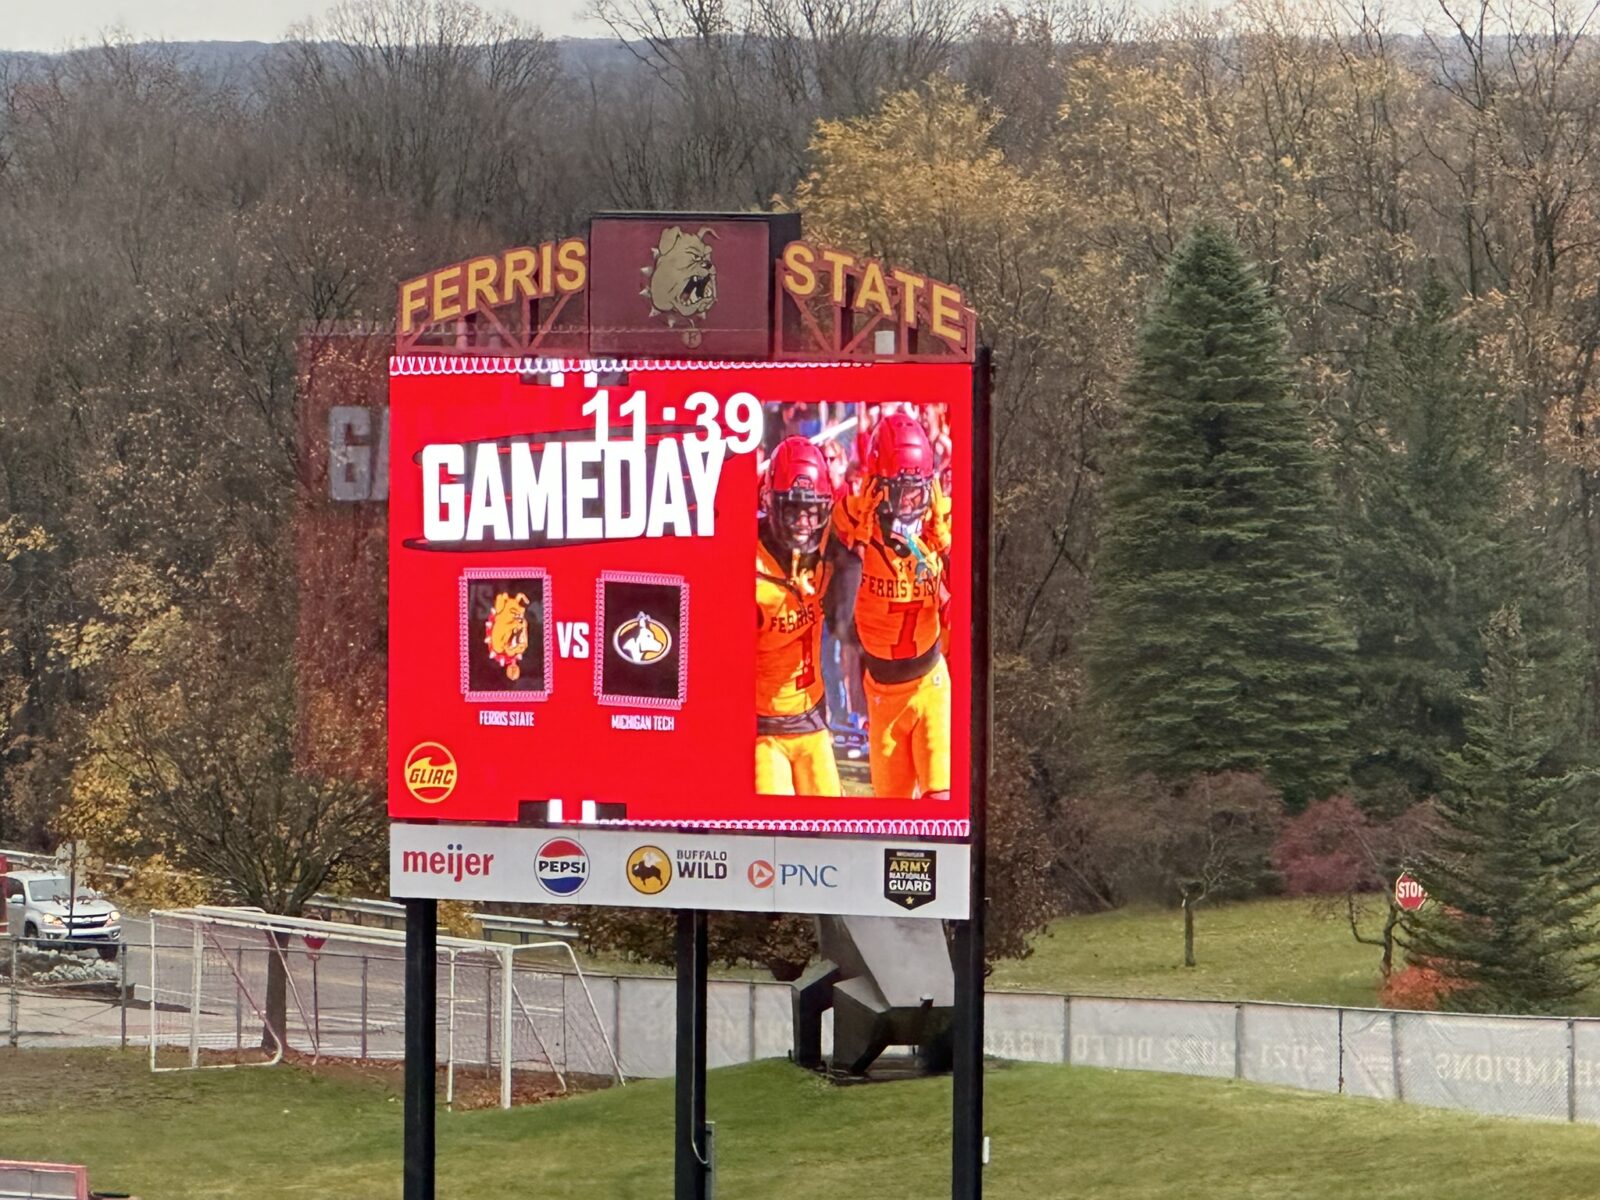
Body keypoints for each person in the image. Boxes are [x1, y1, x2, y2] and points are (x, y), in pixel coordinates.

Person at [831, 411, 953, 799]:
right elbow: (840, 619)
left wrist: (947, 546)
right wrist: (862, 540)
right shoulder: (852, 517)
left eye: (918, 491)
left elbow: (965, 605)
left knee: (940, 799)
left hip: (930, 682)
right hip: (882, 693)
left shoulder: (940, 520)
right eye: (901, 492)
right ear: (877, 487)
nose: (910, 503)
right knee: (893, 814)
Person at [755, 437, 851, 795]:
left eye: (812, 510)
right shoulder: (748, 565)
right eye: (793, 509)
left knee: (832, 835)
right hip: (762, 729)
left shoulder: (828, 543)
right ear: (770, 504)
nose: (803, 522)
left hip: (812, 723)